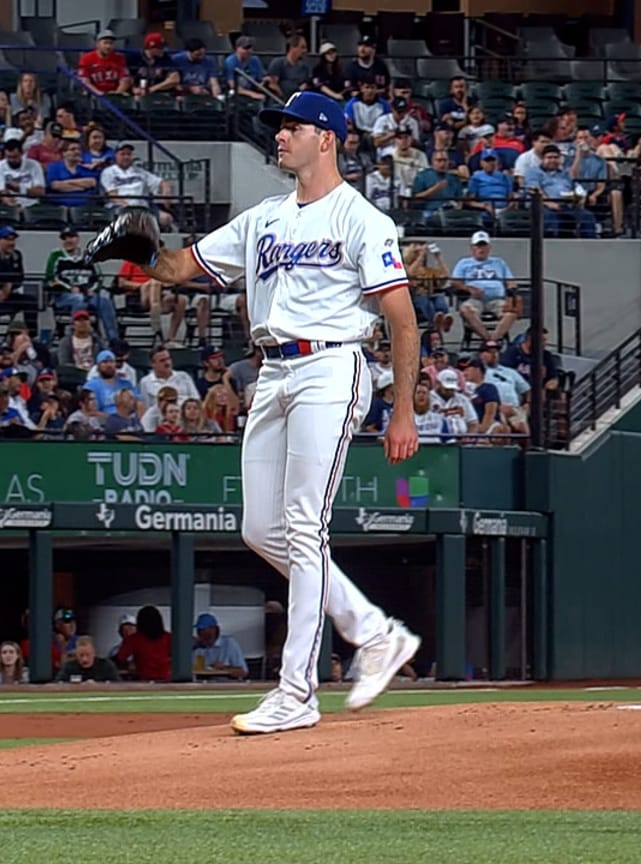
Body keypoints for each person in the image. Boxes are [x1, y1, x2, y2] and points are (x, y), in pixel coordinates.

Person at [81, 92, 422, 734]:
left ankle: (297, 693)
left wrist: (402, 410)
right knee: (261, 529)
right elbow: (179, 267)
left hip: (331, 365)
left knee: (303, 524)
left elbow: (402, 319)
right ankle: (377, 633)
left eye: (293, 127)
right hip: (272, 370)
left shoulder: (362, 219)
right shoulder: (263, 218)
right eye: (280, 127)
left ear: (327, 138)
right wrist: (141, 253)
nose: (280, 136)